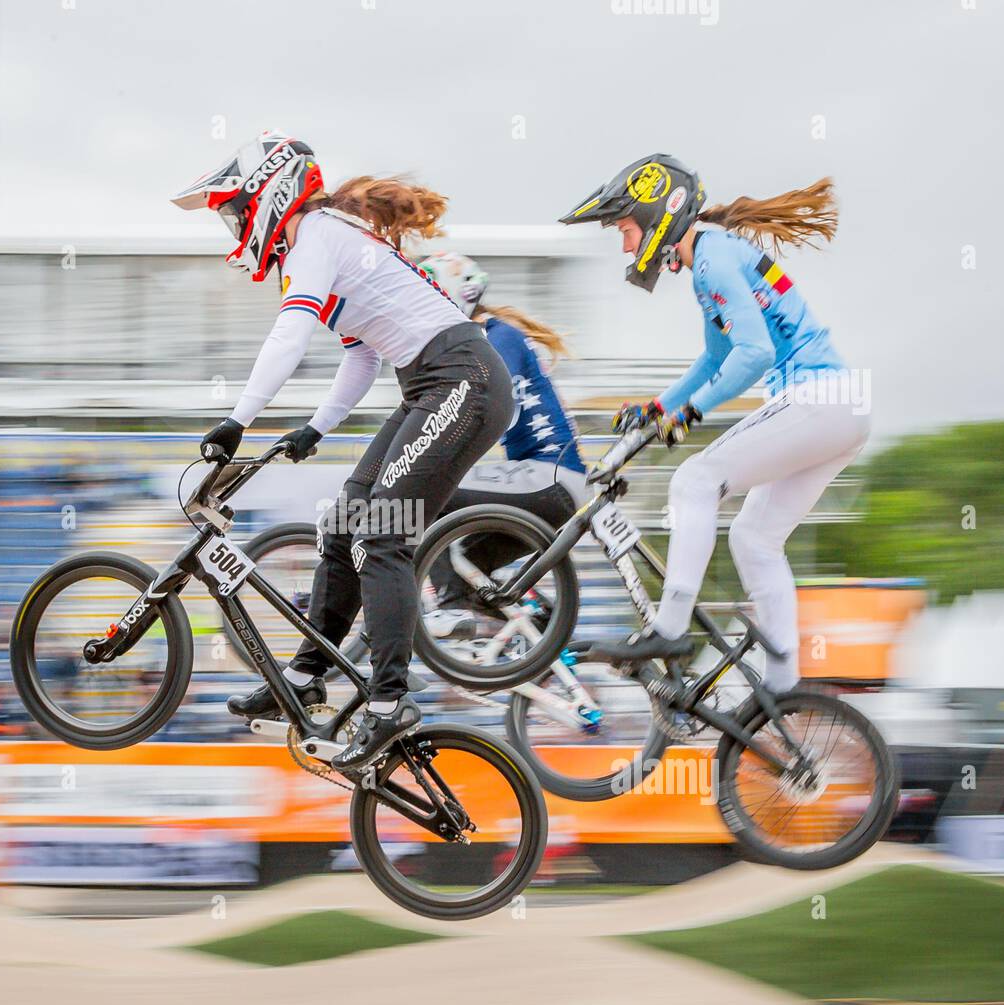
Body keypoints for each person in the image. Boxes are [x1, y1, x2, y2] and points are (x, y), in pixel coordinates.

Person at [172, 131, 513, 769]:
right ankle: (306, 677)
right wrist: (317, 428)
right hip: (434, 386)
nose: (233, 228)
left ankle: (390, 703)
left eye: (233, 213)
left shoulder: (316, 238)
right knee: (343, 523)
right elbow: (361, 355)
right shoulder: (325, 241)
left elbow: (289, 335)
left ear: (268, 194)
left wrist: (236, 419)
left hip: (463, 380)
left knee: (381, 533)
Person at [558, 154, 869, 693]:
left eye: (627, 230)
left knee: (694, 481)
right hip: (841, 409)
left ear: (660, 216)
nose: (626, 247)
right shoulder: (713, 257)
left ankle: (670, 626)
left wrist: (691, 414)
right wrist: (659, 406)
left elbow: (753, 355)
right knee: (753, 539)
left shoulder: (713, 260)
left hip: (818, 398)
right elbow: (714, 359)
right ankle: (781, 691)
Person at [412, 252, 586, 638]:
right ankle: (539, 624)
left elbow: (495, 411)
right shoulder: (485, 339)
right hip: (546, 482)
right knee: (467, 565)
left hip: (549, 477)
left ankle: (450, 608)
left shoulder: (496, 337)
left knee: (422, 491)